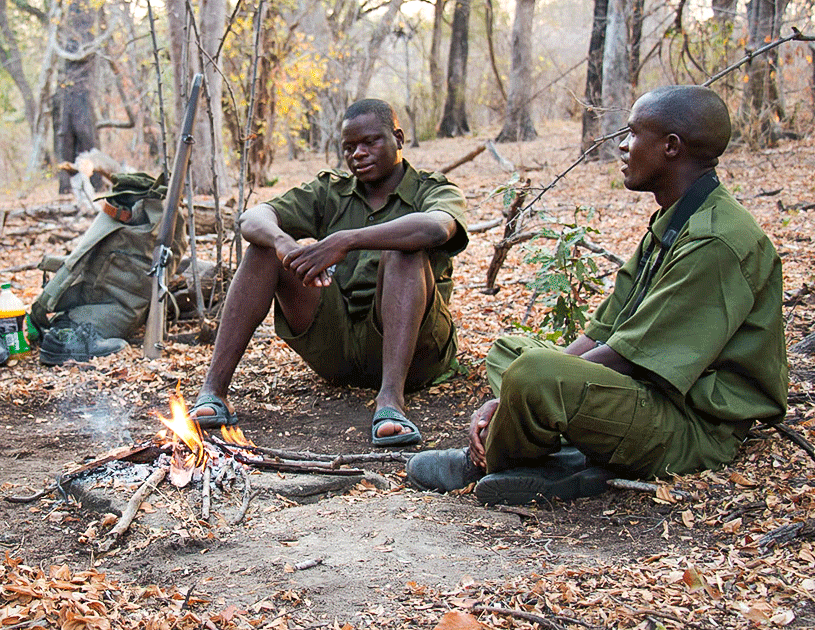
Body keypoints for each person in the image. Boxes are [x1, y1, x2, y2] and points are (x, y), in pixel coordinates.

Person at [406, 85, 787, 505]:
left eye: (633, 134)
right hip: (648, 399)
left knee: (532, 374)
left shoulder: (717, 239)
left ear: (671, 147)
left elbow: (628, 356)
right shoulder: (677, 219)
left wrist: (526, 388)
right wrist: (512, 392)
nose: (623, 146)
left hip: (692, 428)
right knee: (511, 352)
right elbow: (602, 332)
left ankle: (480, 462)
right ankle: (566, 461)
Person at [189, 99, 469, 446]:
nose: (358, 154)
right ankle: (213, 392)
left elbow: (436, 229)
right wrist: (283, 243)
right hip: (337, 346)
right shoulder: (330, 192)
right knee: (263, 251)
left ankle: (391, 402)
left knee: (404, 250)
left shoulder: (432, 189)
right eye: (349, 147)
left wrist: (346, 240)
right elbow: (251, 218)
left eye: (371, 142)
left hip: (416, 356)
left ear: (398, 138)